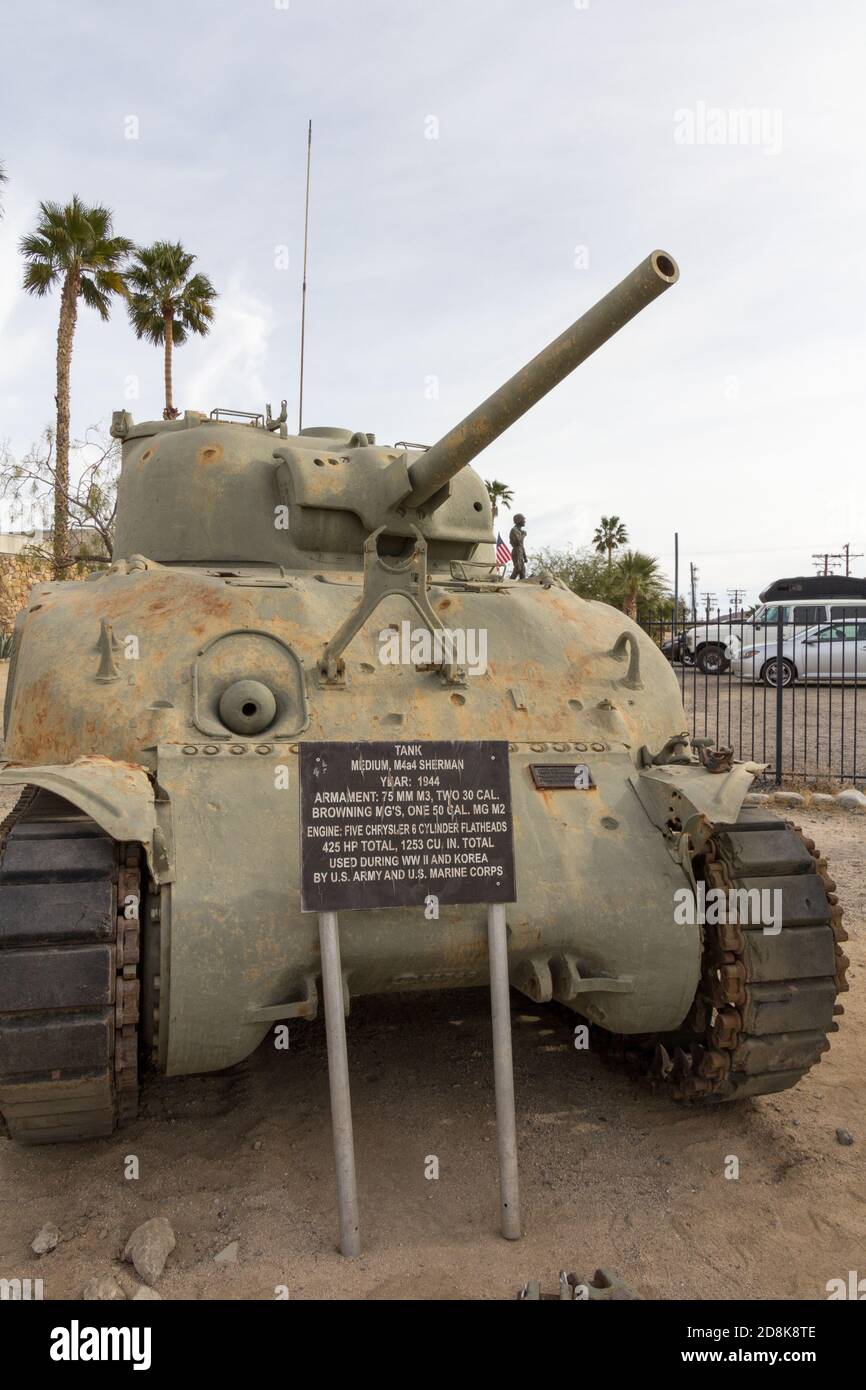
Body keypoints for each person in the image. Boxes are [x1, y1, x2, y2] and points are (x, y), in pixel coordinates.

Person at [509, 513, 527, 580]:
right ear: (518, 520)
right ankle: (510, 582)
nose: (524, 521)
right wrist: (523, 535)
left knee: (522, 571)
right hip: (516, 551)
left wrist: (524, 556)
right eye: (523, 519)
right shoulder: (514, 530)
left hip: (520, 551)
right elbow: (518, 541)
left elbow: (521, 545)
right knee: (518, 568)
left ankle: (523, 583)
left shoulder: (520, 531)